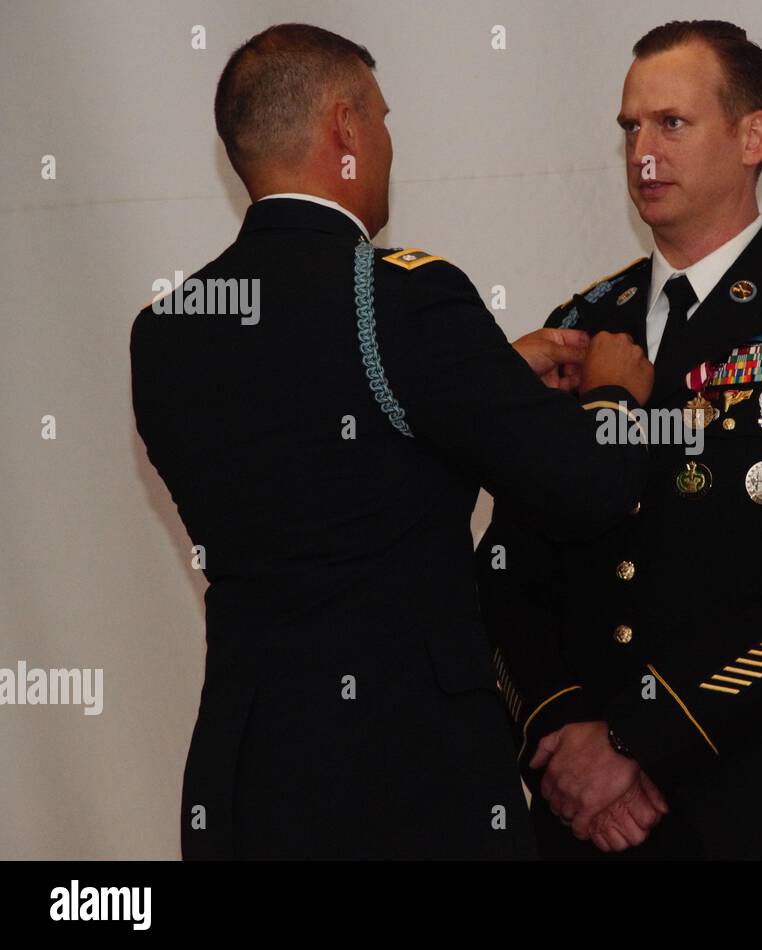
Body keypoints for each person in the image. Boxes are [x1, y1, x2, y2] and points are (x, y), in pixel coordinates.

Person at [129, 23, 652, 859]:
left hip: (247, 767)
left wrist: (489, 375)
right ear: (343, 129)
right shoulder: (398, 295)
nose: (386, 142)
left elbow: (327, 446)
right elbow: (583, 488)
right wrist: (614, 395)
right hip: (408, 774)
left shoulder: (165, 330)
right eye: (381, 116)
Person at [476, 19, 762, 859]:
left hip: (757, 788)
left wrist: (638, 743)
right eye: (629, 129)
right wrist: (559, 736)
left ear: (754, 137)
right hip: (583, 814)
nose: (642, 152)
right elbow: (510, 569)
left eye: (670, 124)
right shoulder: (580, 328)